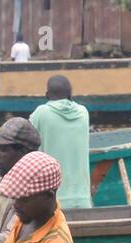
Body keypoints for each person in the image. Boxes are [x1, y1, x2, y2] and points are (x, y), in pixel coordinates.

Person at [28, 75, 91, 208]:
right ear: (70, 94)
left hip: (53, 202)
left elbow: (27, 142)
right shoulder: (83, 113)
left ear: (47, 95)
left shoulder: (41, 113)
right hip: (83, 201)